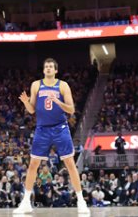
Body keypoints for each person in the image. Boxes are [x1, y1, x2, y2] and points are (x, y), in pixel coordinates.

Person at [13, 58, 90, 216]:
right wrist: (26, 102)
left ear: (56, 70)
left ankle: (81, 201)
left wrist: (58, 102)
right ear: (43, 70)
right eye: (46, 66)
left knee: (69, 163)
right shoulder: (36, 85)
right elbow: (32, 110)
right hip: (42, 129)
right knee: (33, 163)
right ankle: (26, 202)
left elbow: (71, 109)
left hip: (60, 128)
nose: (48, 68)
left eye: (51, 67)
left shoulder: (62, 85)